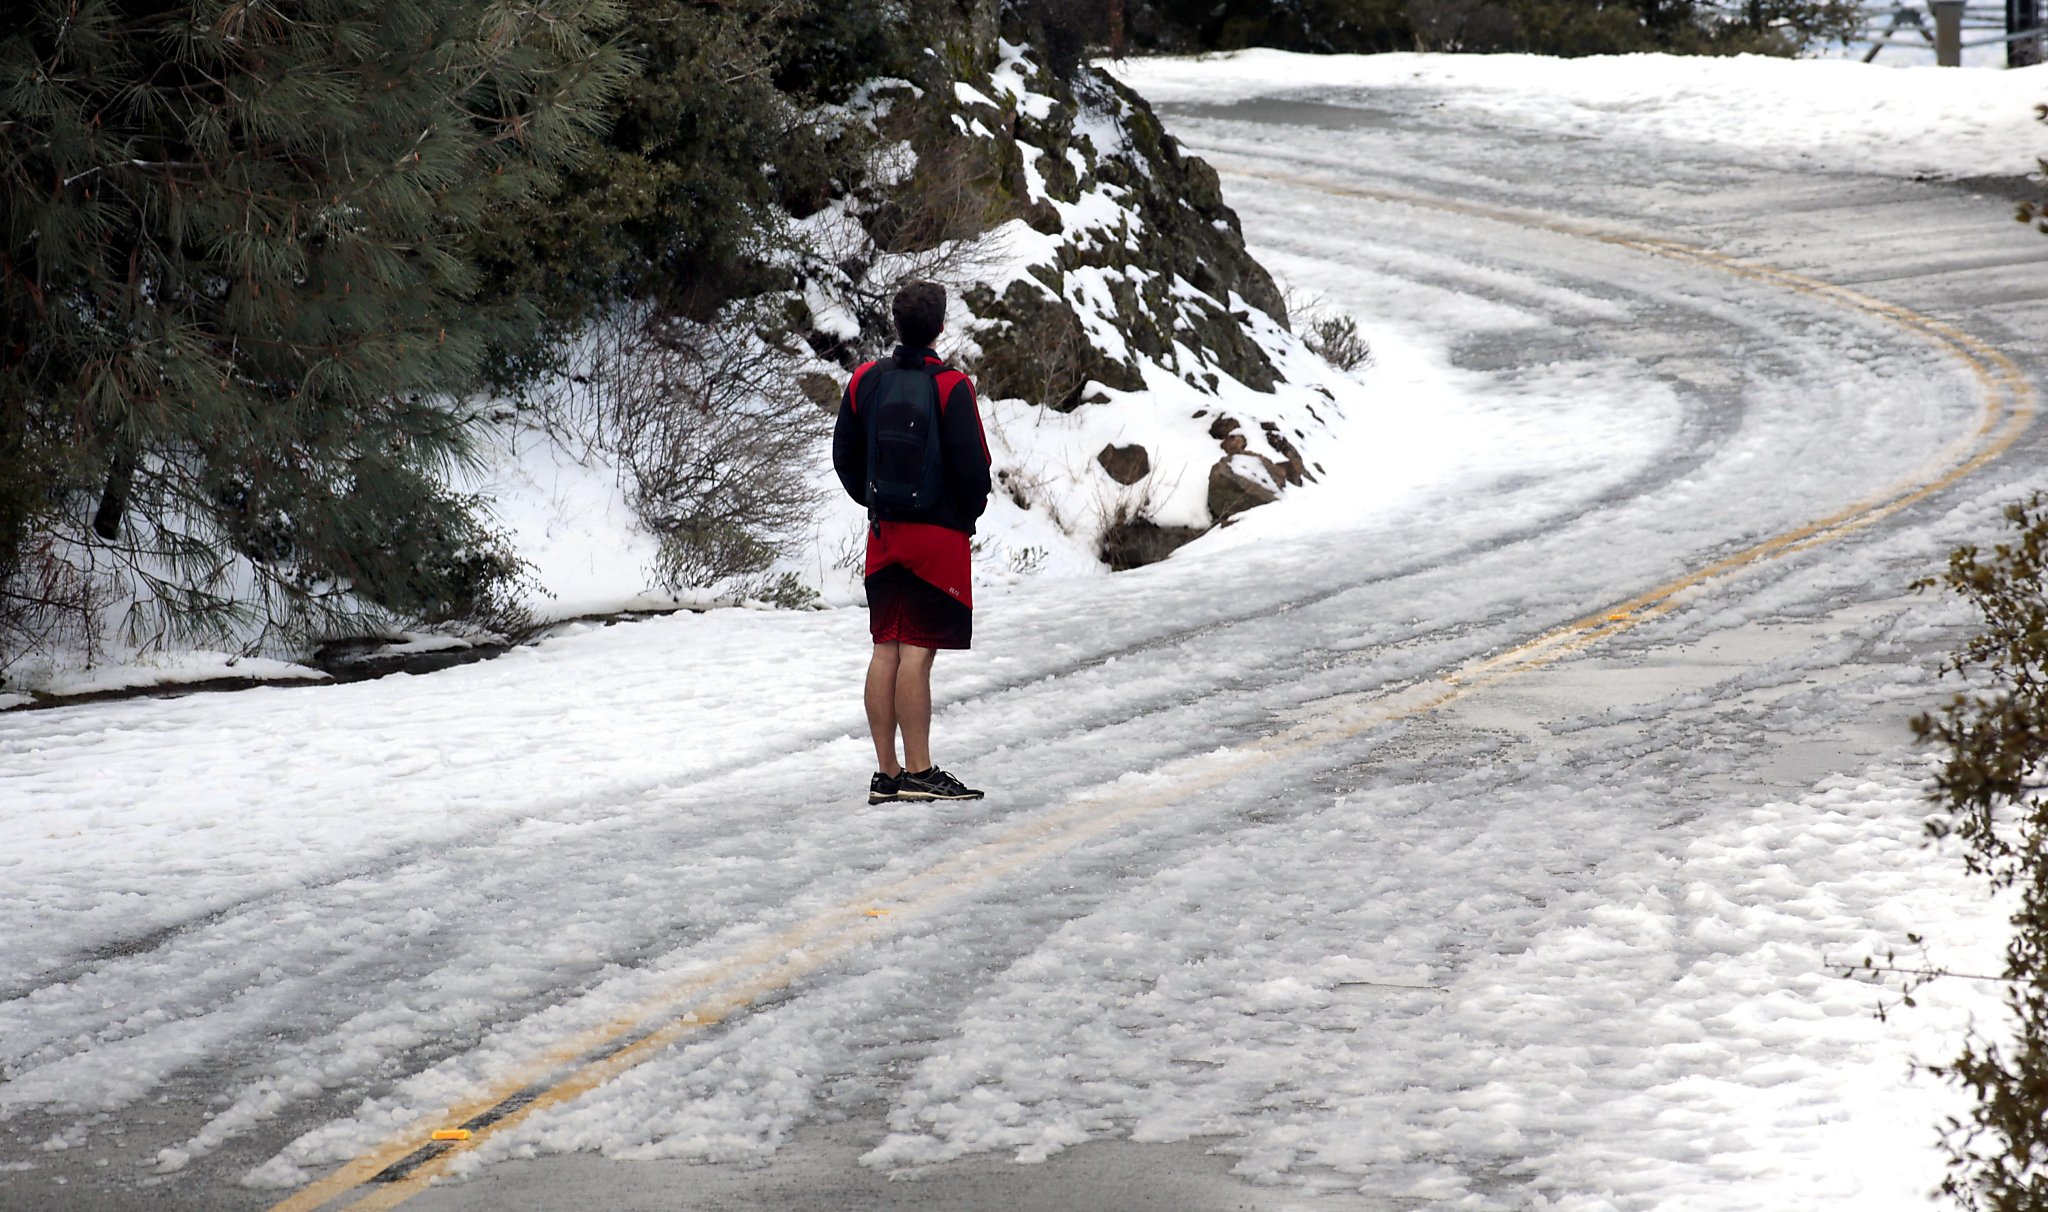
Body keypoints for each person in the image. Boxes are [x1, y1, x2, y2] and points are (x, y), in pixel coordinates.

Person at [831, 281, 992, 804]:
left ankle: (887, 773)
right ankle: (921, 772)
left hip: (884, 533)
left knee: (886, 649)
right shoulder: (952, 386)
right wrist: (961, 516)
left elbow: (845, 455)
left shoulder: (864, 380)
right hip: (936, 536)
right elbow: (974, 470)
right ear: (941, 326)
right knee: (917, 654)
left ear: (895, 324)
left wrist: (875, 503)